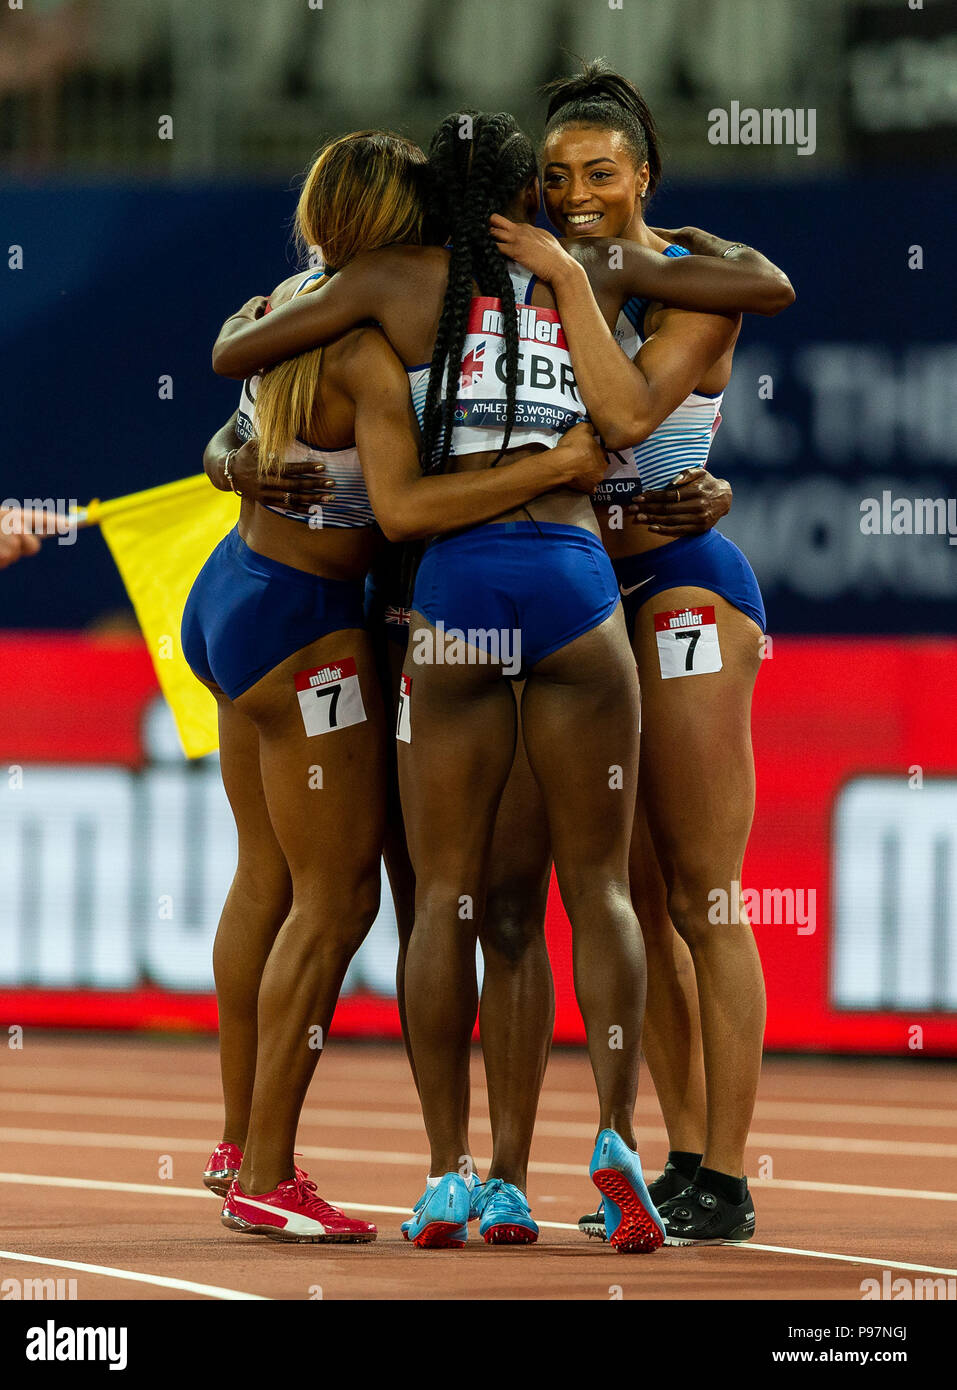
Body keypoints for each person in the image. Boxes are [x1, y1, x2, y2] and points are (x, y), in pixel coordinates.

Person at [187, 128, 607, 1243]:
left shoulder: (293, 300)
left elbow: (224, 427)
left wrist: (232, 462)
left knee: (266, 881)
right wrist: (556, 468)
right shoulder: (370, 345)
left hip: (233, 590)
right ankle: (267, 1171)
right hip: (307, 626)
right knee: (345, 899)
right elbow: (412, 512)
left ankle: (236, 1139)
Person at [486, 59, 793, 1245]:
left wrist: (572, 276)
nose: (579, 193)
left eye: (602, 173)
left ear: (644, 176)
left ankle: (729, 1171)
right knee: (639, 895)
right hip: (586, 592)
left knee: (708, 888)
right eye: (558, 176)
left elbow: (620, 420)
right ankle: (682, 1155)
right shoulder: (538, 282)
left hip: (683, 594)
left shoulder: (688, 280)